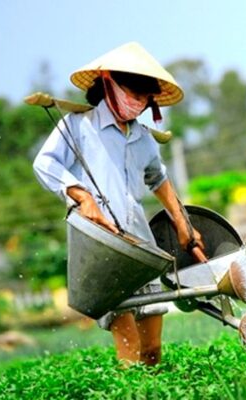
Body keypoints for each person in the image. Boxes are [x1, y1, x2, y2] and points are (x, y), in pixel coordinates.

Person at [33, 42, 203, 366]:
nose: (137, 104)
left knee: (152, 349)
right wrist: (81, 196)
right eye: (132, 94)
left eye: (144, 99)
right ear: (109, 82)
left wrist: (183, 224)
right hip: (103, 247)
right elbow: (45, 163)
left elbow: (159, 178)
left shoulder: (142, 137)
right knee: (131, 351)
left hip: (140, 246)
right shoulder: (78, 125)